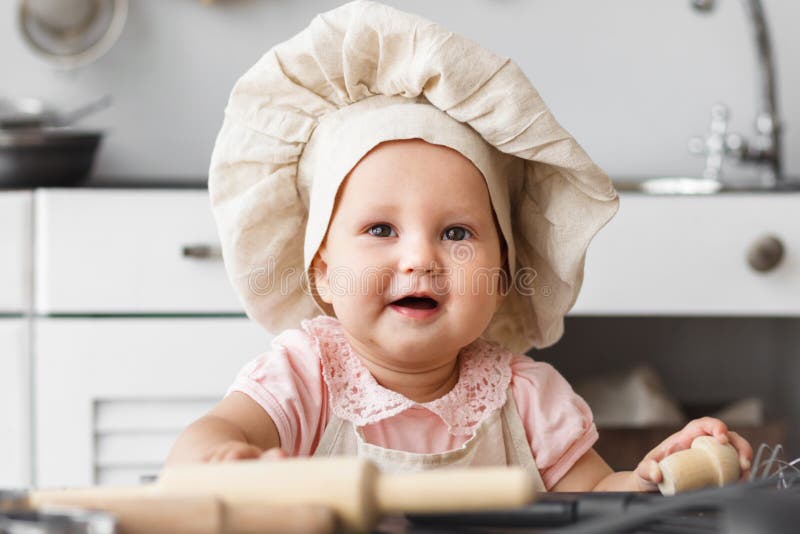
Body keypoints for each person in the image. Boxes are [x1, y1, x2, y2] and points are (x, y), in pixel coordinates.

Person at [167, 1, 752, 492]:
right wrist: (222, 462)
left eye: (456, 233)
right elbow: (209, 439)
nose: (420, 258)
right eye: (380, 230)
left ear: (503, 275)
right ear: (321, 270)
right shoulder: (304, 378)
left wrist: (653, 477)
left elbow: (601, 498)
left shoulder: (527, 400)